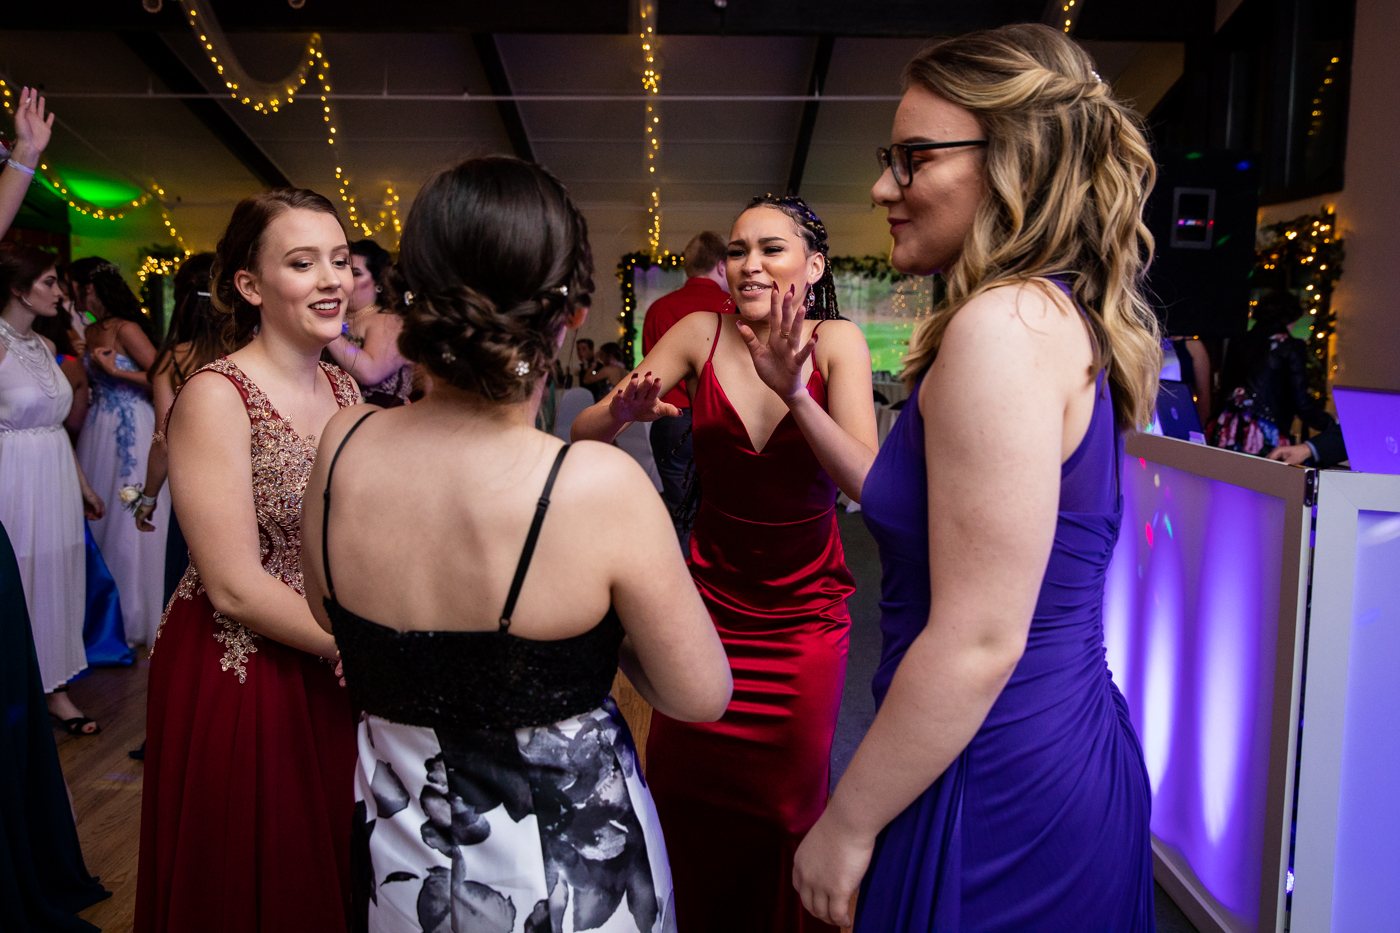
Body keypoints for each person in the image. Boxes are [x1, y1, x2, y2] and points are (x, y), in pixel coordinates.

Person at [301, 155, 732, 933]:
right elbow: (700, 693)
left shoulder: (342, 443)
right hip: (567, 887)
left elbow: (326, 609)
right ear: (566, 315)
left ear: (414, 298)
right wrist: (601, 630)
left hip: (404, 871)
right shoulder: (594, 486)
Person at [792, 25, 1160, 930]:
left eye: (913, 158)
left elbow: (981, 638)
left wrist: (844, 823)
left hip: (996, 777)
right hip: (1032, 740)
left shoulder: (1003, 327)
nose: (884, 186)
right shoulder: (1046, 313)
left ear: (1015, 164)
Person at [572, 194, 878, 933]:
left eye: (771, 248)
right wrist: (624, 410)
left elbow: (867, 482)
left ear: (814, 264)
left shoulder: (838, 342)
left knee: (786, 813)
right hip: (707, 613)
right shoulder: (698, 331)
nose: (749, 264)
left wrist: (798, 396)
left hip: (804, 625)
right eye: (739, 250)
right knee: (680, 796)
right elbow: (582, 431)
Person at [135, 188, 361, 933]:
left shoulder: (344, 386)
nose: (333, 279)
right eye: (304, 263)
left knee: (324, 856)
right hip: (244, 663)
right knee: (253, 866)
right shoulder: (214, 395)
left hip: (333, 659)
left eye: (340, 259)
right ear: (250, 285)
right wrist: (362, 648)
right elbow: (232, 584)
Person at [1, 243, 107, 734]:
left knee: (59, 576)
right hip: (14, 477)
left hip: (56, 474)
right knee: (19, 580)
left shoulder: (44, 346)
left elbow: (58, 426)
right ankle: (16, 691)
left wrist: (83, 484)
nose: (60, 293)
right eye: (48, 282)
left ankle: (56, 690)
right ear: (17, 289)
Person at [70, 256, 168, 647]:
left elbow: (160, 373)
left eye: (70, 283)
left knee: (129, 508)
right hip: (98, 431)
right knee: (100, 513)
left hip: (130, 430)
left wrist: (116, 373)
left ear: (87, 287)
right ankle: (101, 616)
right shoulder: (92, 330)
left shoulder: (126, 328)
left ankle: (133, 613)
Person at [132, 253, 224, 601]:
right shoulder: (249, 351)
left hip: (196, 491)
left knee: (193, 594)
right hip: (253, 484)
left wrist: (148, 498)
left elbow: (163, 441)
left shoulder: (172, 360)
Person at [641, 231, 731, 535]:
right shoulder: (734, 307)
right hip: (725, 421)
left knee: (682, 516)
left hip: (671, 422)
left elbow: (653, 374)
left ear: (688, 266)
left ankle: (683, 578)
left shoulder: (658, 309)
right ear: (722, 266)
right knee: (725, 510)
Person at [1208, 289, 1333, 456]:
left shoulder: (1240, 341)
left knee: (1223, 479)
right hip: (1263, 431)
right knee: (1263, 479)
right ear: (1290, 318)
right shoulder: (1290, 345)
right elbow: (1301, 402)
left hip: (1226, 426)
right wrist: (1332, 428)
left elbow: (1224, 387)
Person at [324, 238, 413, 407]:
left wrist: (328, 332)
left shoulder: (389, 320)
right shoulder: (339, 317)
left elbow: (370, 372)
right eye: (342, 269)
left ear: (378, 282)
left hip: (381, 418)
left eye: (356, 273)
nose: (345, 280)